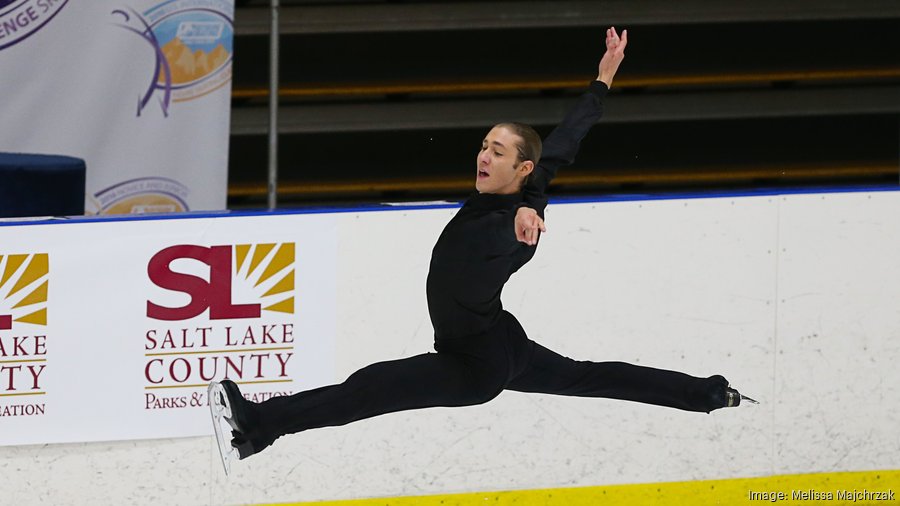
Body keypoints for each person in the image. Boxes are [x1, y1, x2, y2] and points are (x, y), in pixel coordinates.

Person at [215, 27, 754, 461]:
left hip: (473, 365)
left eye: (497, 151)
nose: (484, 156)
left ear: (521, 168)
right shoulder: (531, 187)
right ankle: (706, 393)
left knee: (369, 389)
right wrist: (603, 79)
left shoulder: (511, 220)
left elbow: (504, 234)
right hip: (502, 340)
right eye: (484, 146)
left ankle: (262, 424)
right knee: (587, 377)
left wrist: (521, 224)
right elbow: (567, 139)